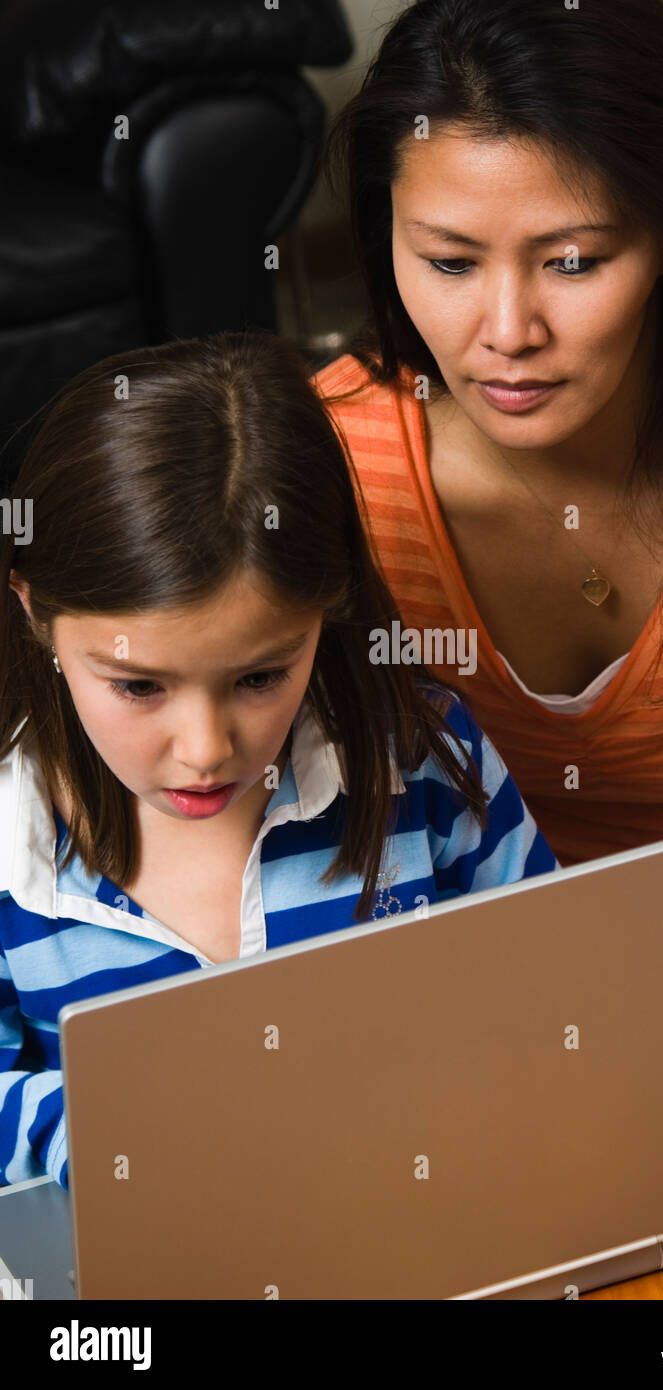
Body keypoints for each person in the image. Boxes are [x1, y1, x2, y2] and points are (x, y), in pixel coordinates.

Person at [313, 0, 663, 1239]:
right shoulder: (322, 477)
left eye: (571, 261)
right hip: (461, 1023)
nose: (506, 333)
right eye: (447, 262)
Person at [0, 330, 556, 1189]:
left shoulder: (423, 761)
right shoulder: (12, 849)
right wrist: (87, 1129)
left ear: (327, 612)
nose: (208, 750)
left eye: (261, 675)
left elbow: (559, 995)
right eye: (140, 686)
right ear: (37, 616)